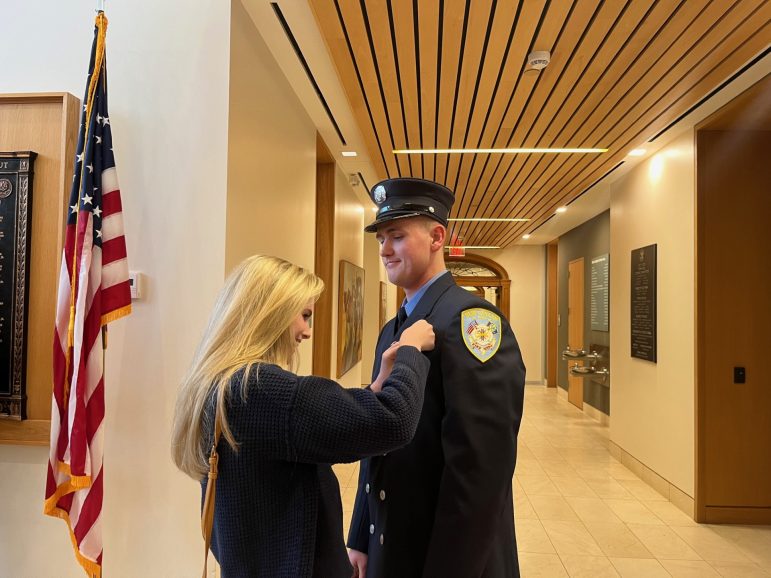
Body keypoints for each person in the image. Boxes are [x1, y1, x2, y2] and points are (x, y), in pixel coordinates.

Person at [170, 254, 435, 578]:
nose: (307, 331)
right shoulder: (266, 391)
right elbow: (394, 422)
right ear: (274, 313)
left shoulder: (219, 385)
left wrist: (378, 384)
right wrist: (411, 349)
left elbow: (333, 416)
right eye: (305, 315)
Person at [347, 178, 526, 578]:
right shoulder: (395, 329)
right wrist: (361, 534)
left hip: (444, 552)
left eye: (396, 236)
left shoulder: (470, 323)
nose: (384, 250)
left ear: (436, 237)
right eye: (381, 239)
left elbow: (480, 471)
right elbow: (377, 441)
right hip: (391, 540)